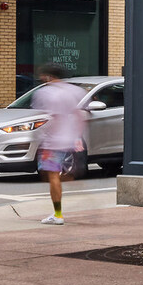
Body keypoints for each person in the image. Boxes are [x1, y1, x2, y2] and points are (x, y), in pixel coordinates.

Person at [30, 63, 90, 226]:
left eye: (43, 76)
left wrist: (48, 140)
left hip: (54, 141)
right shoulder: (74, 91)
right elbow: (79, 115)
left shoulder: (46, 93)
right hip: (70, 139)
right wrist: (77, 136)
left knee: (51, 175)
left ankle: (57, 214)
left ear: (48, 76)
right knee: (52, 174)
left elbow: (53, 118)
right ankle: (69, 176)